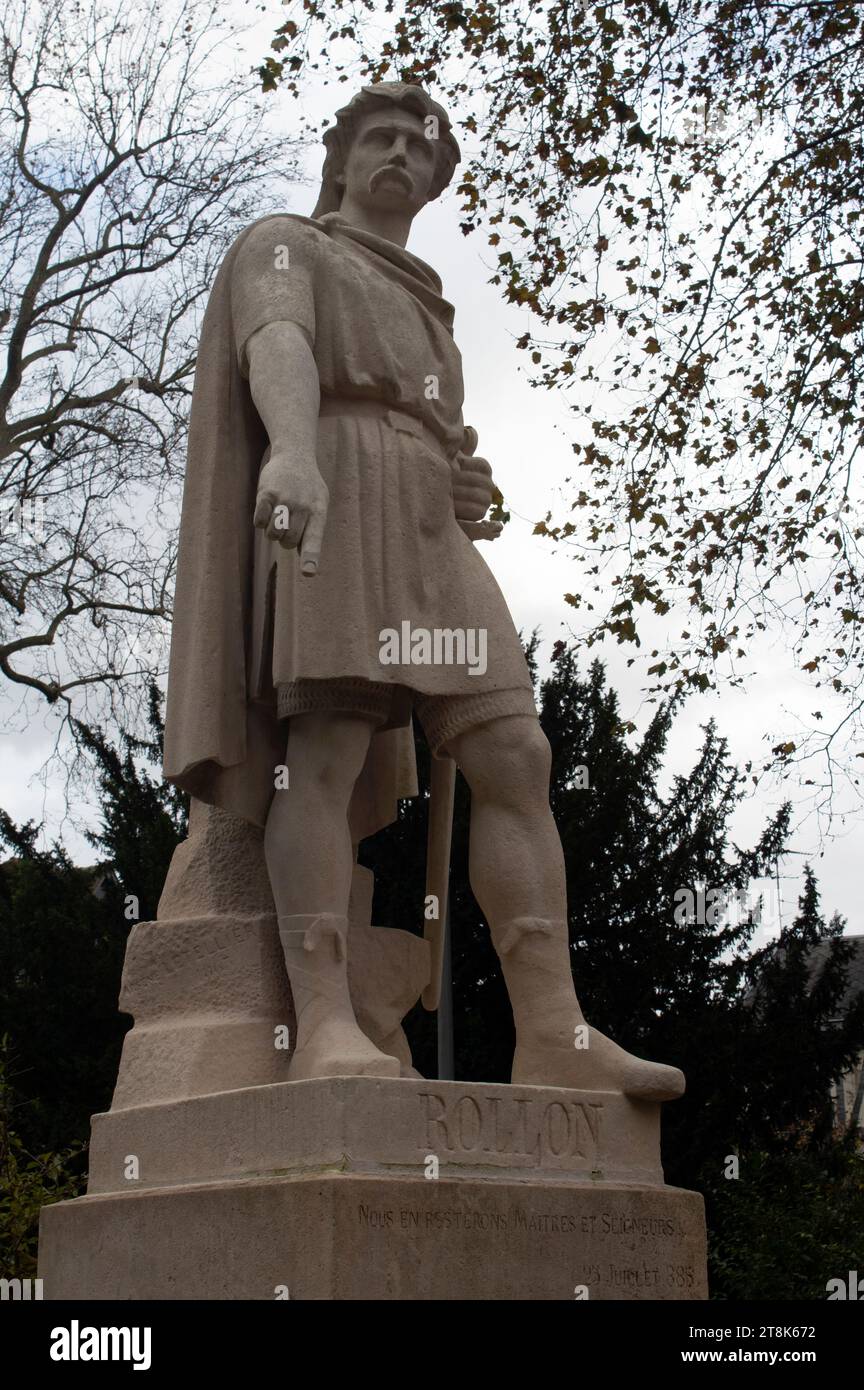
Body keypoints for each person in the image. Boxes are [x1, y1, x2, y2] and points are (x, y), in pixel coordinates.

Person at [164, 82, 684, 1101]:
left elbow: (433, 426)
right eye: (380, 136)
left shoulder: (426, 299)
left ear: (438, 179)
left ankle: (551, 1035)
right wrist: (296, 454)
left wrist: (461, 479)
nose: (400, 151)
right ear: (343, 160)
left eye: (420, 143)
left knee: (511, 747)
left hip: (426, 531)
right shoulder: (289, 242)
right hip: (335, 494)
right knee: (325, 744)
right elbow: (279, 345)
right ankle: (321, 1027)